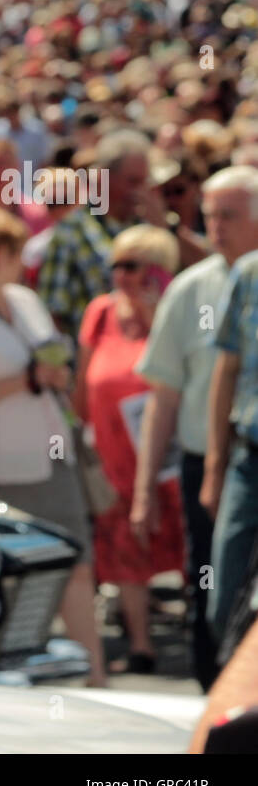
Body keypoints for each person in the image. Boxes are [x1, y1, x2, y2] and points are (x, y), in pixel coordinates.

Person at [0, 206, 107, 686]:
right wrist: (28, 379)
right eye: (16, 250)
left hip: (53, 450)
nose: (23, 260)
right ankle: (19, 683)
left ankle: (96, 678)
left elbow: (49, 356)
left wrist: (56, 373)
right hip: (3, 466)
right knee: (16, 582)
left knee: (78, 567)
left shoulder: (23, 298)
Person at [133, 165, 258, 691]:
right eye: (210, 216)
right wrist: (150, 490)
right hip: (224, 460)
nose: (217, 226)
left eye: (229, 216)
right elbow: (168, 395)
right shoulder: (196, 289)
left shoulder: (245, 274)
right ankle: (217, 714)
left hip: (235, 457)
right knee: (215, 596)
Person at [75, 224, 185, 675]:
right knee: (123, 549)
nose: (122, 275)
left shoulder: (172, 314)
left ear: (157, 271)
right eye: (117, 264)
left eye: (134, 266)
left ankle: (206, 637)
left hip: (168, 459)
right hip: (113, 456)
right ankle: (141, 645)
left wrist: (157, 310)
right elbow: (81, 386)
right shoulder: (100, 313)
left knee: (184, 544)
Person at [37, 129, 151, 340]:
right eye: (132, 182)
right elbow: (53, 311)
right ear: (103, 179)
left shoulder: (149, 228)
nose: (141, 191)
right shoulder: (71, 231)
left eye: (145, 182)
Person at [202, 238, 258, 648]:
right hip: (249, 458)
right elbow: (227, 368)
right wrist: (214, 466)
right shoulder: (250, 272)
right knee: (224, 604)